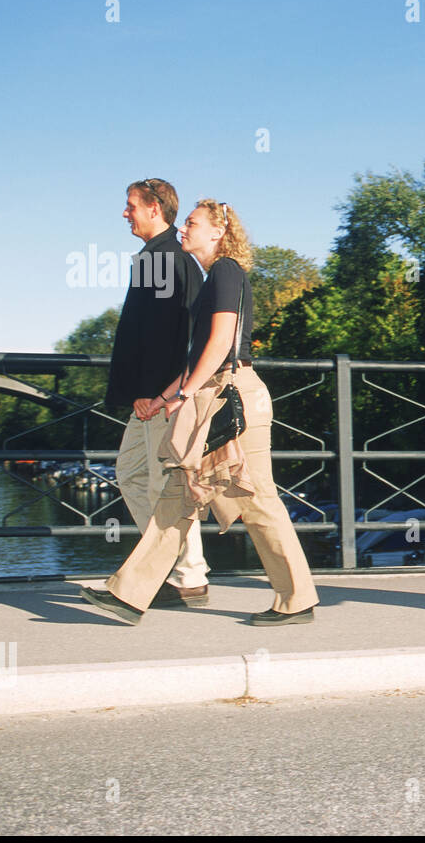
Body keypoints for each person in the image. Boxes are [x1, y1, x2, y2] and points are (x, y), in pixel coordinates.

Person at [82, 199, 319, 626]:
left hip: (233, 395)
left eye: (191, 223)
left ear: (217, 232)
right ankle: (130, 594)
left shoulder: (226, 270)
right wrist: (163, 397)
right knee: (179, 492)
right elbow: (196, 356)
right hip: (213, 392)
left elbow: (222, 341)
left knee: (258, 500)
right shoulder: (213, 278)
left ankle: (297, 599)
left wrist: (182, 394)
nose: (183, 229)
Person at [106, 178, 210, 606]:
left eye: (131, 205)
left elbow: (167, 331)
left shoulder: (164, 257)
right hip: (159, 392)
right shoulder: (163, 256)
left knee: (157, 485)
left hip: (160, 396)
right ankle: (180, 568)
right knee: (132, 474)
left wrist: (156, 393)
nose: (125, 213)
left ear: (154, 207)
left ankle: (185, 575)